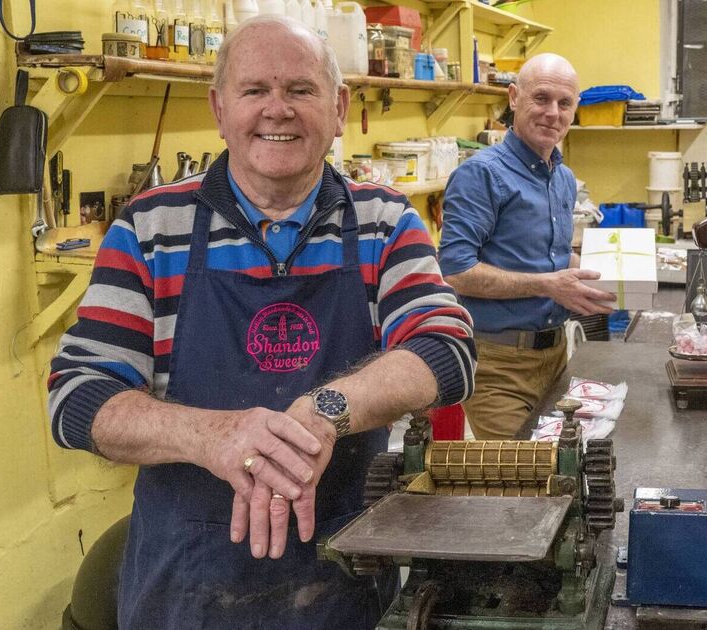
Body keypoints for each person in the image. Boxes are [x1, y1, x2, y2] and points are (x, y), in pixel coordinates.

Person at [47, 16, 475, 629]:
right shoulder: (149, 228)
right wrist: (215, 436)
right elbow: (78, 396)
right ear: (220, 109)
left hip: (344, 579)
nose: (278, 111)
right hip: (184, 588)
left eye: (300, 90)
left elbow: (446, 349)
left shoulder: (385, 221)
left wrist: (325, 411)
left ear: (338, 106)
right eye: (255, 91)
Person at [438, 54, 613, 440]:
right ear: (515, 97)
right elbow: (457, 272)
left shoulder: (563, 179)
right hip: (497, 365)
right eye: (541, 98)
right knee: (522, 482)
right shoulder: (481, 174)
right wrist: (548, 284)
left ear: (575, 110)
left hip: (555, 355)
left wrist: (610, 271)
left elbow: (548, 258)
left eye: (564, 103)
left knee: (561, 470)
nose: (553, 113)